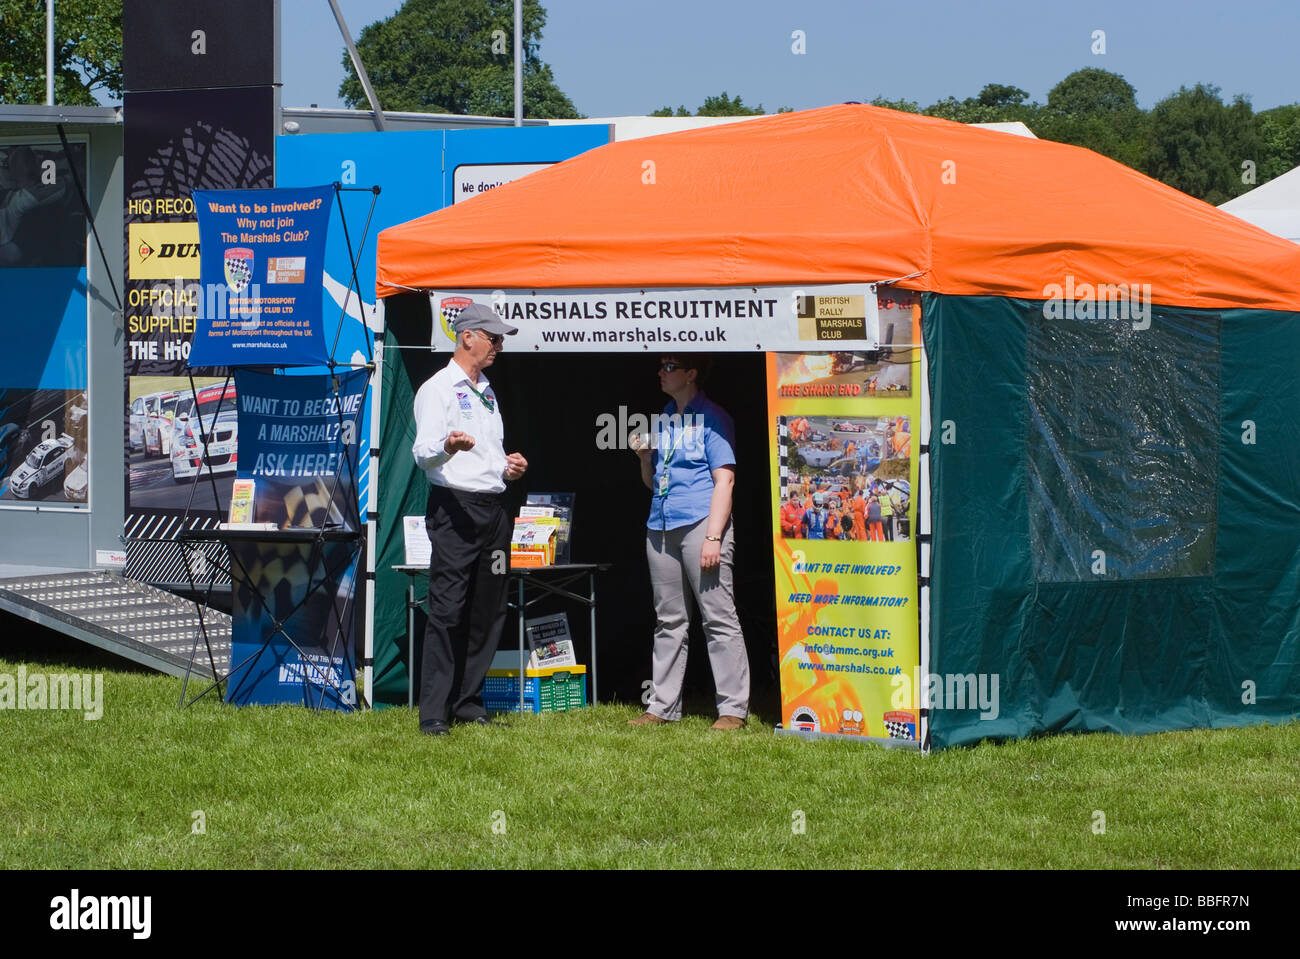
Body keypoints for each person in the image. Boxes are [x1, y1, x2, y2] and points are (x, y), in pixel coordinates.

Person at [411, 303, 528, 735]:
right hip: (455, 509)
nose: (500, 346)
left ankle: (467, 701)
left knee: (490, 608)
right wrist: (448, 446)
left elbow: (490, 456)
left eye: (501, 339)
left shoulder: (488, 390)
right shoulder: (437, 388)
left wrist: (507, 467)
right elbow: (422, 454)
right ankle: (434, 711)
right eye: (494, 338)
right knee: (447, 608)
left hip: (495, 511)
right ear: (467, 337)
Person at [628, 354, 749, 730]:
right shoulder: (664, 418)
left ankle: (732, 710)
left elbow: (724, 482)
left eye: (669, 367)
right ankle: (661, 707)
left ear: (691, 374)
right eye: (661, 366)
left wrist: (714, 537)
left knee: (718, 618)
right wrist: (645, 459)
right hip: (660, 526)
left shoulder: (713, 418)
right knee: (668, 620)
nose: (660, 373)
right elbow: (653, 483)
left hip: (701, 525)